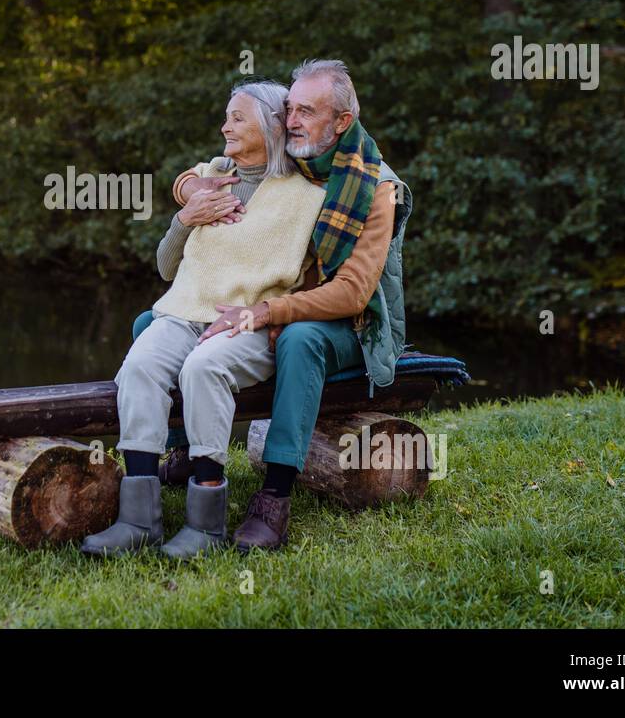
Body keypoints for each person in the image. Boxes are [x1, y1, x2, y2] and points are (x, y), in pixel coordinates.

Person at [142, 58, 414, 551]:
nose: (291, 121)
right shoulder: (297, 159)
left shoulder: (375, 187)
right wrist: (191, 187)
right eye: (290, 108)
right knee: (153, 320)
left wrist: (272, 311)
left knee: (301, 338)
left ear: (341, 122)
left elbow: (352, 291)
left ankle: (275, 496)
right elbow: (222, 164)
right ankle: (181, 449)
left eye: (307, 112)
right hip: (282, 305)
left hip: (352, 323)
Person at [80, 80, 325, 559]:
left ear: (272, 126)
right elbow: (166, 268)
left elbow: (318, 276)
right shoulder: (212, 173)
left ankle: (206, 522)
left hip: (247, 322)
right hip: (183, 313)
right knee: (140, 367)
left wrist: (272, 315)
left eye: (237, 118)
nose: (224, 126)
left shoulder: (306, 196)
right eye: (226, 116)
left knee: (203, 368)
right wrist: (185, 215)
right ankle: (138, 519)